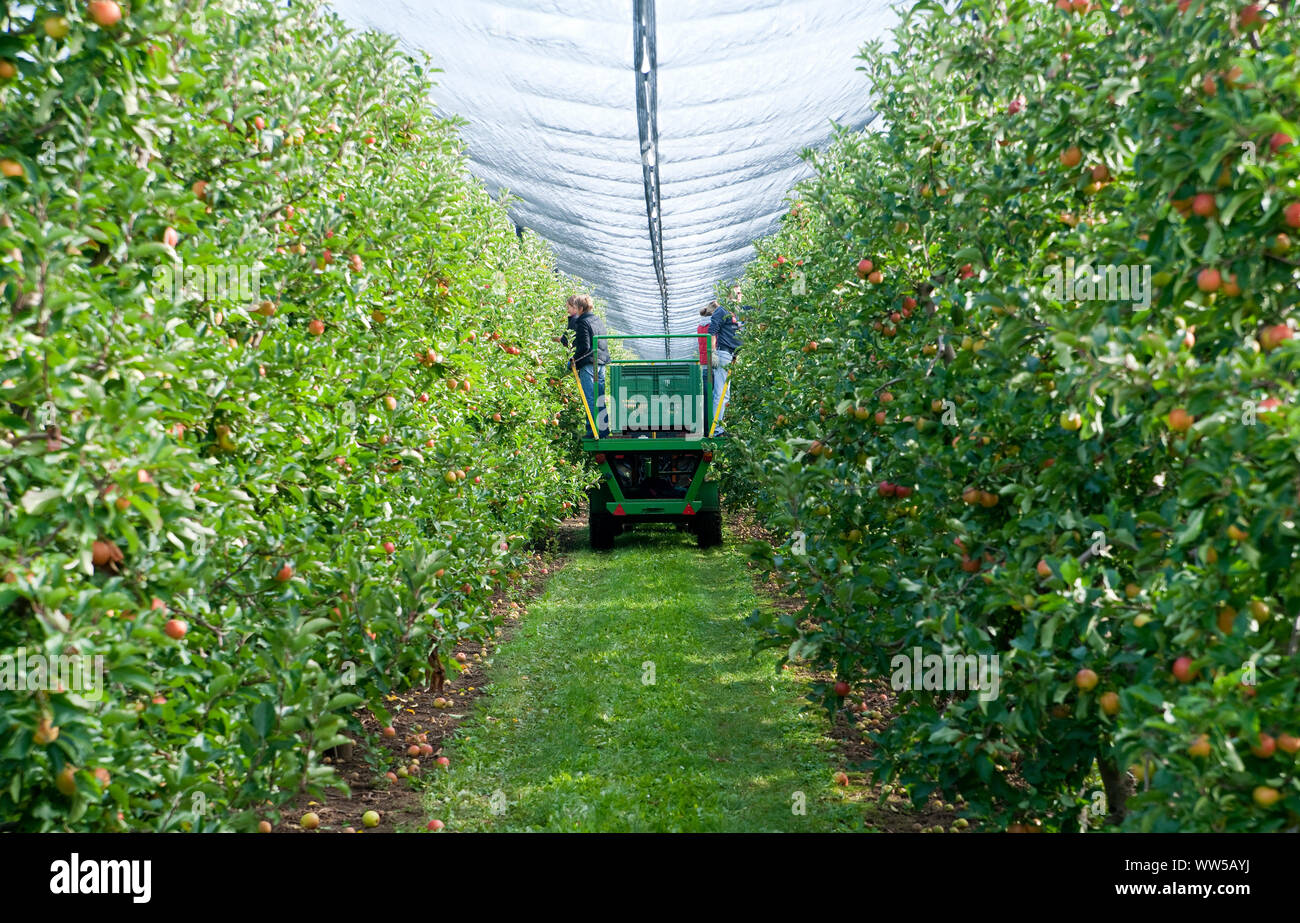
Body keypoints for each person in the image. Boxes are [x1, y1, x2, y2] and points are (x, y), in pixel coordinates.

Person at [569, 294, 609, 437]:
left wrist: (573, 360)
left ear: (580, 308)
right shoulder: (598, 320)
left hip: (589, 364)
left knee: (590, 398)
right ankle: (603, 430)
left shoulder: (582, 322)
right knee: (600, 397)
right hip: (601, 363)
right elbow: (602, 343)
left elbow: (584, 347)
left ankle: (592, 430)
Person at [708, 288, 743, 434]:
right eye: (737, 293)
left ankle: (718, 427)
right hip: (724, 354)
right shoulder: (722, 311)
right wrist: (712, 353)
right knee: (720, 392)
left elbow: (759, 308)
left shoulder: (741, 311)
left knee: (725, 394)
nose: (740, 295)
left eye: (741, 293)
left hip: (733, 356)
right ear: (729, 294)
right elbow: (711, 332)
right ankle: (716, 429)